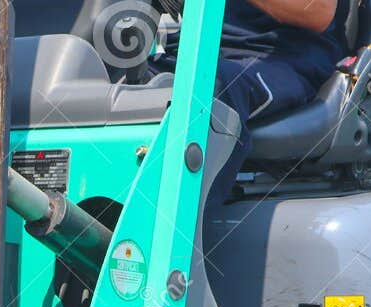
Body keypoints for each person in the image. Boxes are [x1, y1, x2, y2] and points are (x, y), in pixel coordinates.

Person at [151, 1, 353, 207]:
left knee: (205, 88)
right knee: (129, 79)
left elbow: (318, 11)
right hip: (197, 47)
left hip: (288, 57)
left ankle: (174, 230)